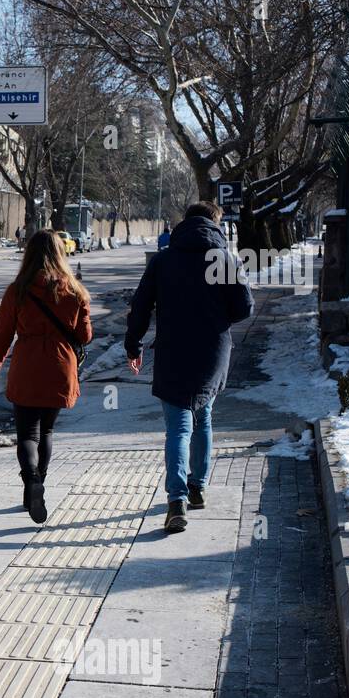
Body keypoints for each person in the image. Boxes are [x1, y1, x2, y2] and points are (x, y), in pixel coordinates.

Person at [124, 201, 254, 534]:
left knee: (179, 426)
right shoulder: (225, 260)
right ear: (216, 224)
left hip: (173, 350)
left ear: (185, 223)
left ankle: (176, 500)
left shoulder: (164, 260)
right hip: (212, 351)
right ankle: (197, 486)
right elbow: (243, 309)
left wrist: (133, 345)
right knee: (204, 415)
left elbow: (140, 306)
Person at [0, 229, 92, 524]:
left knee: (27, 433)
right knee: (47, 432)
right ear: (60, 253)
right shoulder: (74, 291)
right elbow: (85, 336)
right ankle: (39, 481)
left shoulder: (17, 290)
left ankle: (31, 482)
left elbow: (1, 336)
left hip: (27, 366)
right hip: (59, 367)